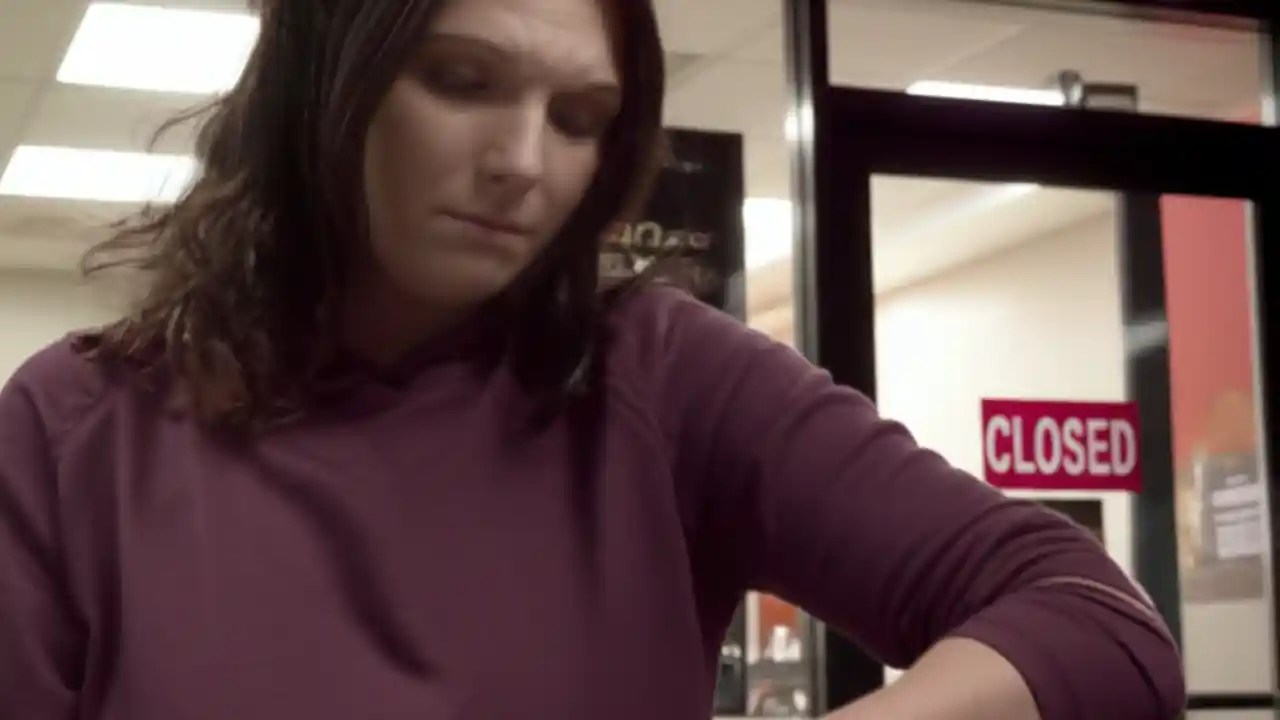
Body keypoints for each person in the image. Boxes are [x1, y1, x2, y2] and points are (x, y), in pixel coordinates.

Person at [0, 0, 1185, 718]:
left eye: (579, 118)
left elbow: (1094, 623)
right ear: (327, 87)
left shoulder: (664, 381)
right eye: (463, 82)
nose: (524, 161)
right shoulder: (72, 428)